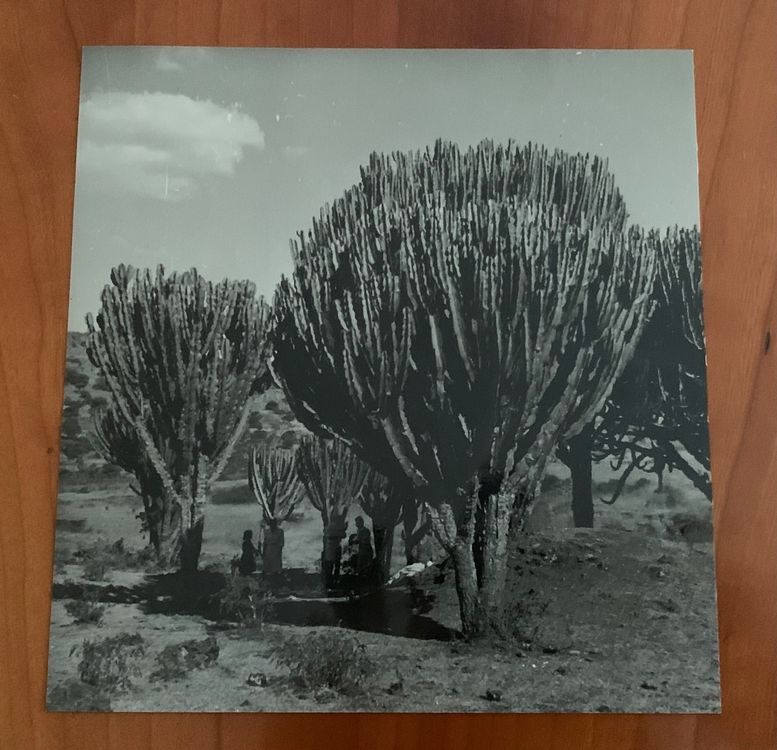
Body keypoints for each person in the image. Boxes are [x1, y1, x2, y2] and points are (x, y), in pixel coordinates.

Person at [322, 518, 347, 590]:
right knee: (331, 566)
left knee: (335, 566)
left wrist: (343, 530)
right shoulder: (331, 527)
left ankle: (334, 582)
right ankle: (331, 583)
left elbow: (343, 535)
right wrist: (343, 530)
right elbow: (340, 535)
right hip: (331, 549)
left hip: (335, 548)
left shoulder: (332, 527)